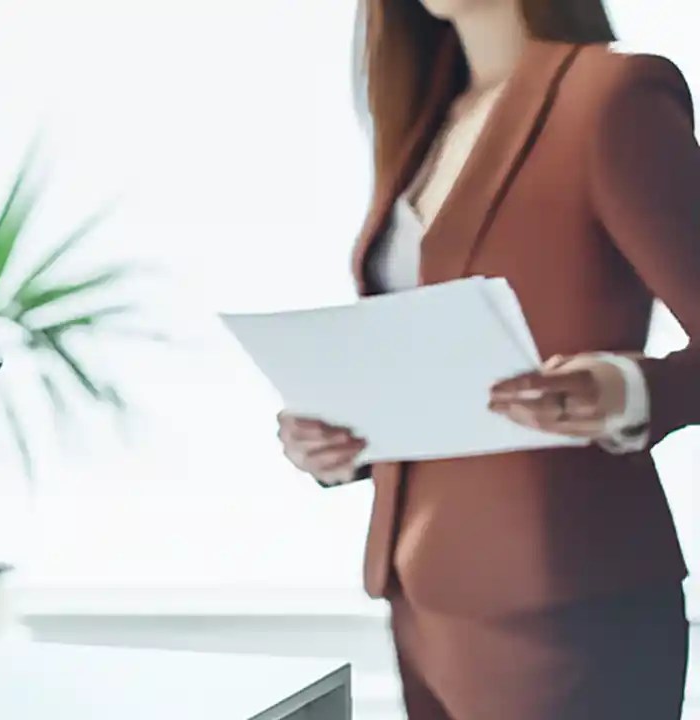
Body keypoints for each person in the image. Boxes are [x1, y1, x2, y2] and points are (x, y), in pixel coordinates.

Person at [277, 1, 700, 718]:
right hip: (421, 600)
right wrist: (339, 439)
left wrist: (630, 389)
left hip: (567, 605)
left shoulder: (611, 97)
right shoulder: (427, 124)